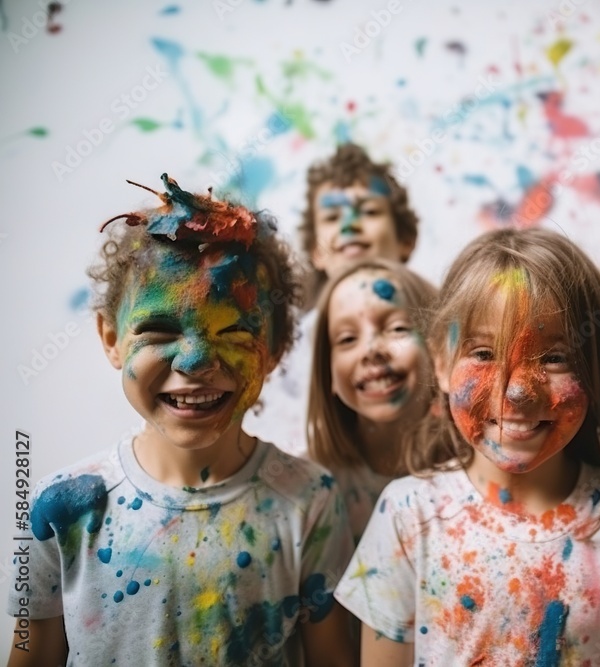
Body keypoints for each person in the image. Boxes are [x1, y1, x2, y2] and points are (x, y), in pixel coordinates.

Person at [7, 175, 355, 666]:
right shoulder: (60, 509)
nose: (195, 361)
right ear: (111, 338)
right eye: (160, 329)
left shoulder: (310, 501)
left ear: (274, 346)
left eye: (234, 330)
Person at [335, 229, 600, 666]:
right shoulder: (408, 515)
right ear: (443, 364)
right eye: (484, 353)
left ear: (595, 369)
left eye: (554, 357)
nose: (519, 391)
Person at [245, 143, 420, 456]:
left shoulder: (439, 320)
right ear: (316, 252)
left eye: (369, 211)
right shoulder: (292, 348)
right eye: (332, 216)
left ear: (406, 239)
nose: (349, 224)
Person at [306, 258, 437, 543]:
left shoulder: (476, 472)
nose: (371, 350)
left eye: (398, 328)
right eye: (347, 338)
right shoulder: (309, 487)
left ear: (438, 348)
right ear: (326, 372)